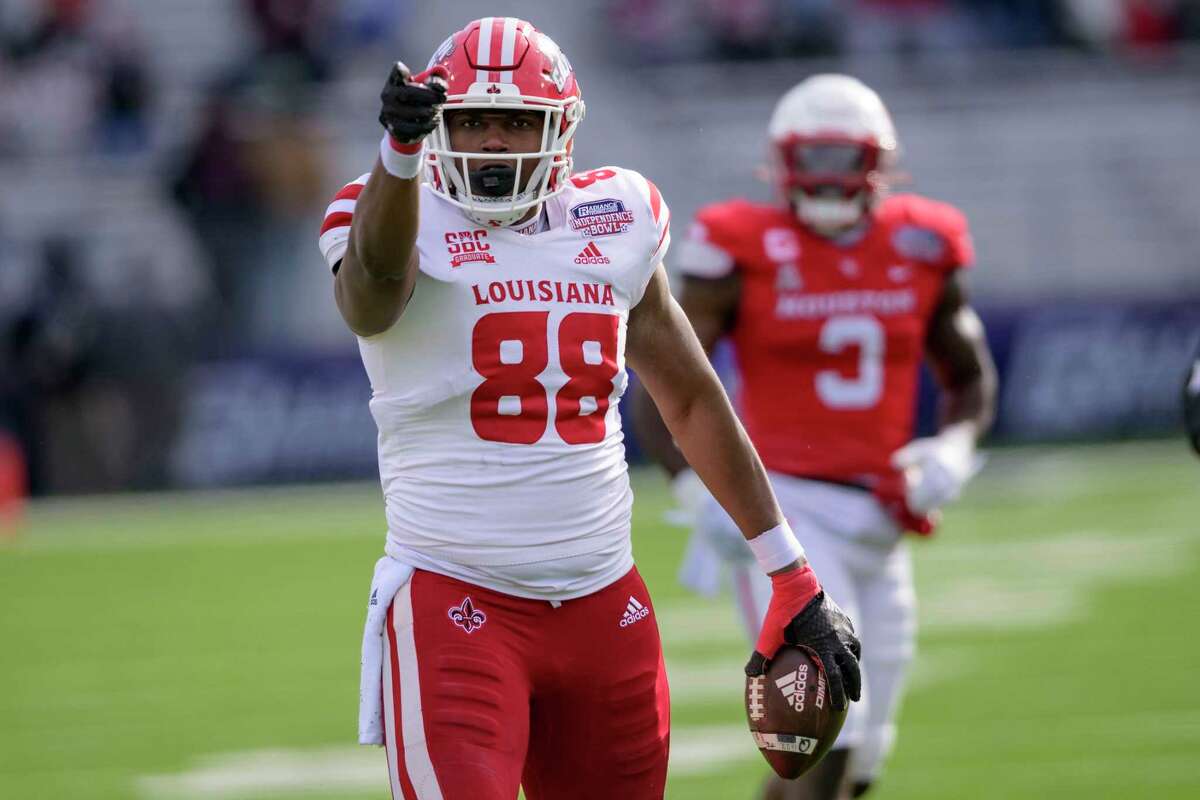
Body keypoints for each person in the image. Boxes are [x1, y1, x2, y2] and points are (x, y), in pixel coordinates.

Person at [316, 19, 861, 800]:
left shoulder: (615, 219)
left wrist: (790, 573)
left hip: (607, 605)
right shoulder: (390, 212)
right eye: (471, 120)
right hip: (455, 599)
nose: (495, 144)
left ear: (560, 129)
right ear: (434, 126)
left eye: (516, 122)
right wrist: (397, 158)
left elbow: (691, 396)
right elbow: (368, 301)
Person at [633, 74, 997, 800]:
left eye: (843, 157)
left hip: (881, 522)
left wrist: (953, 449)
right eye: (815, 156)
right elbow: (664, 379)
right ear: (782, 160)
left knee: (857, 764)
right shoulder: (741, 245)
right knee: (828, 729)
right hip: (787, 514)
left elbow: (969, 375)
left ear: (879, 162)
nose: (828, 177)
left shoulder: (923, 242)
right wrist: (693, 490)